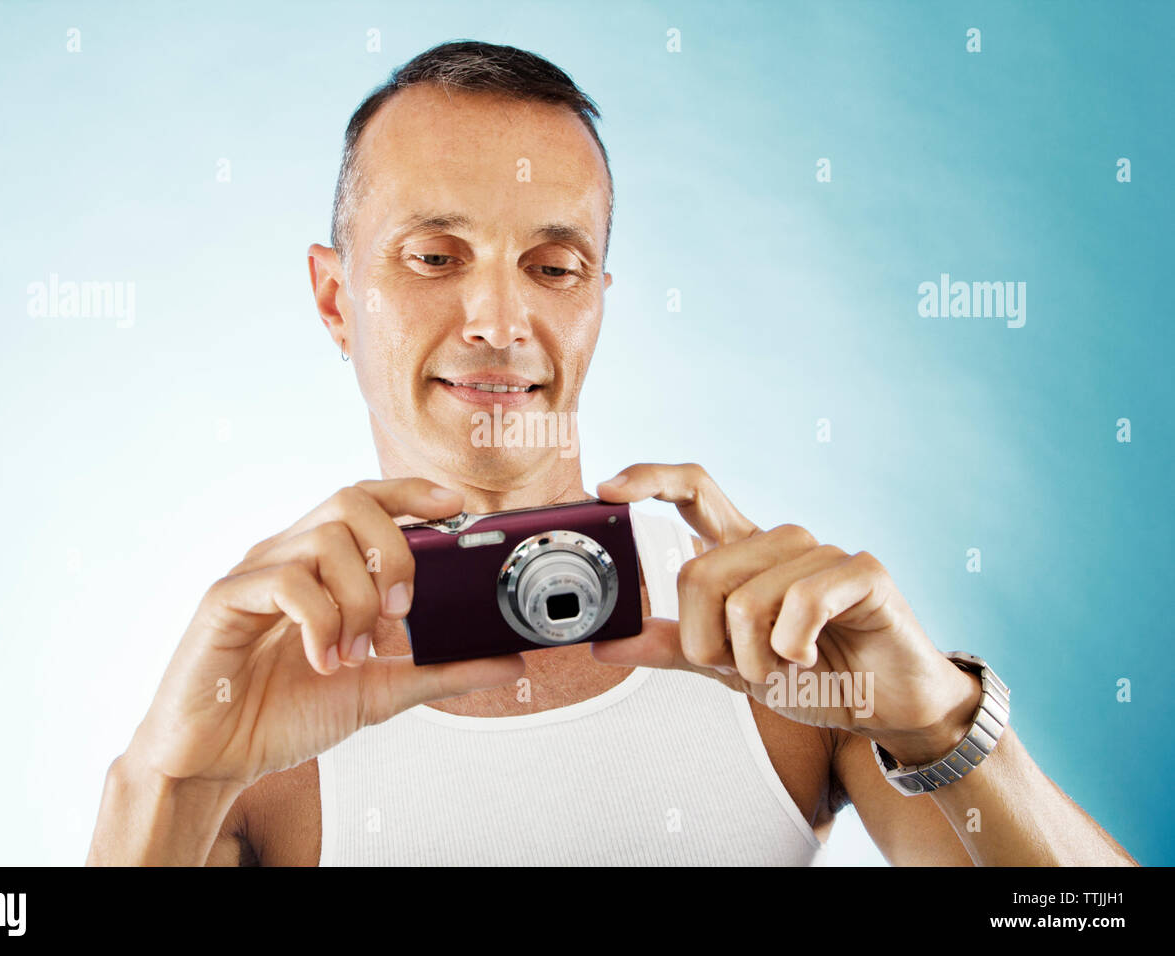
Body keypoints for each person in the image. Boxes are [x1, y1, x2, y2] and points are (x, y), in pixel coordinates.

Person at [87, 40, 1137, 866]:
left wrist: (937, 720)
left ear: (596, 302)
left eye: (553, 266)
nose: (498, 317)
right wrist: (165, 790)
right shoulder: (257, 700)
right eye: (435, 257)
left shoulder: (765, 649)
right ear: (333, 296)